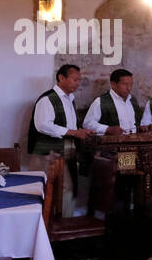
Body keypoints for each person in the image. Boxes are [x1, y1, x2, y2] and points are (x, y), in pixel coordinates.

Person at [27, 63, 100, 217]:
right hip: (49, 152)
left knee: (66, 189)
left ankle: (63, 223)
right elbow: (42, 125)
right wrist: (74, 132)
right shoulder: (47, 99)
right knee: (52, 189)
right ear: (61, 78)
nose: (78, 83)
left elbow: (70, 125)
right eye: (75, 79)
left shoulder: (70, 99)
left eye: (79, 80)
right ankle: (52, 226)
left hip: (65, 150)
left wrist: (82, 131)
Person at [82, 68, 152, 136]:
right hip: (111, 146)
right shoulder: (100, 102)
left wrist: (142, 128)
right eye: (125, 84)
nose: (129, 88)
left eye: (131, 84)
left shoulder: (132, 100)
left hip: (134, 144)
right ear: (113, 84)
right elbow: (87, 124)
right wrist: (107, 129)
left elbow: (137, 124)